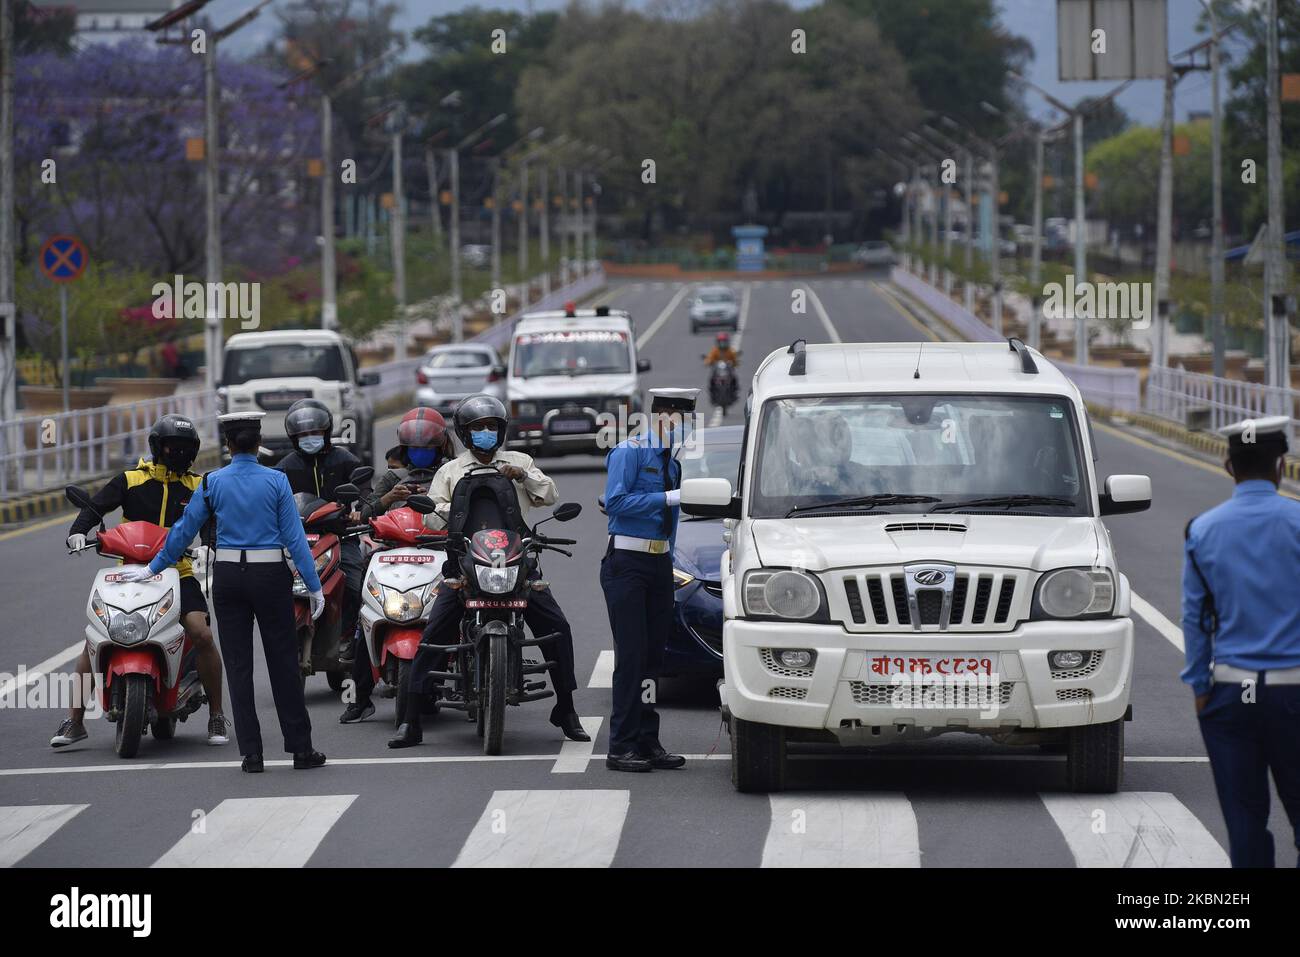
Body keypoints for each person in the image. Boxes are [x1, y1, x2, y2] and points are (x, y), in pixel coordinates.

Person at [117, 411, 327, 773]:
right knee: (283, 664)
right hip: (270, 576)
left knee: (239, 666)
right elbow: (294, 538)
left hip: (229, 577)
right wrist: (313, 586)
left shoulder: (212, 482)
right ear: (258, 442)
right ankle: (300, 749)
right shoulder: (276, 481)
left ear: (228, 445)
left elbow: (183, 531)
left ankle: (252, 754)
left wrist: (153, 568)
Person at [388, 393, 588, 747]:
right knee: (431, 635)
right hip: (464, 566)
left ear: (502, 431)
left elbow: (550, 495)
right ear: (465, 434)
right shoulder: (450, 471)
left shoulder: (519, 461)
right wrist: (455, 509)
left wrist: (522, 476)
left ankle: (567, 709)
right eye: (478, 428)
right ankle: (412, 719)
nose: (486, 433)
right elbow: (431, 514)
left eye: (491, 427)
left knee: (557, 628)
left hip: (518, 564)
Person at [53, 414, 229, 748]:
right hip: (129, 572)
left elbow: (210, 522)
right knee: (93, 639)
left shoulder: (196, 486)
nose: (178, 453)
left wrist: (209, 545)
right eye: (172, 446)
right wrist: (78, 532)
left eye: (185, 448)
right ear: (157, 447)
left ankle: (216, 715)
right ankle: (74, 721)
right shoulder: (131, 480)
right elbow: (96, 507)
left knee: (202, 633)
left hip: (180, 573)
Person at [1182, 415, 1300, 867]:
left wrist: (1200, 687)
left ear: (1228, 465)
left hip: (1232, 694)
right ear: (1282, 465)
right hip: (1295, 692)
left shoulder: (1202, 530)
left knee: (1246, 824)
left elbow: (1195, 618)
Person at [600, 388, 697, 772]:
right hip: (627, 563)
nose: (687, 427)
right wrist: (669, 499)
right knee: (631, 658)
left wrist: (668, 557)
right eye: (683, 419)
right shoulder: (631, 451)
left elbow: (668, 525)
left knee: (654, 660)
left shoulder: (670, 462)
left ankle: (647, 739)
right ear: (664, 417)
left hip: (658, 565)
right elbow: (615, 502)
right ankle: (620, 745)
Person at [339, 407, 454, 724]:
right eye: (414, 449)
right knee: (369, 615)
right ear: (405, 451)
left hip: (440, 551)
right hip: (392, 553)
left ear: (439, 448)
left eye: (426, 449)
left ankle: (468, 674)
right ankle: (361, 698)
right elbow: (365, 513)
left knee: (460, 608)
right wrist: (389, 498)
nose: (420, 455)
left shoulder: (451, 474)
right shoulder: (392, 478)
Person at [275, 397, 372, 703]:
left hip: (341, 537)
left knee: (356, 586)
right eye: (303, 435)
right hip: (296, 542)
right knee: (271, 589)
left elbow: (366, 493)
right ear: (293, 438)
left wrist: (360, 510)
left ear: (328, 432)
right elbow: (270, 503)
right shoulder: (283, 469)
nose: (309, 439)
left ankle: (349, 639)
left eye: (315, 432)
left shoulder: (344, 460)